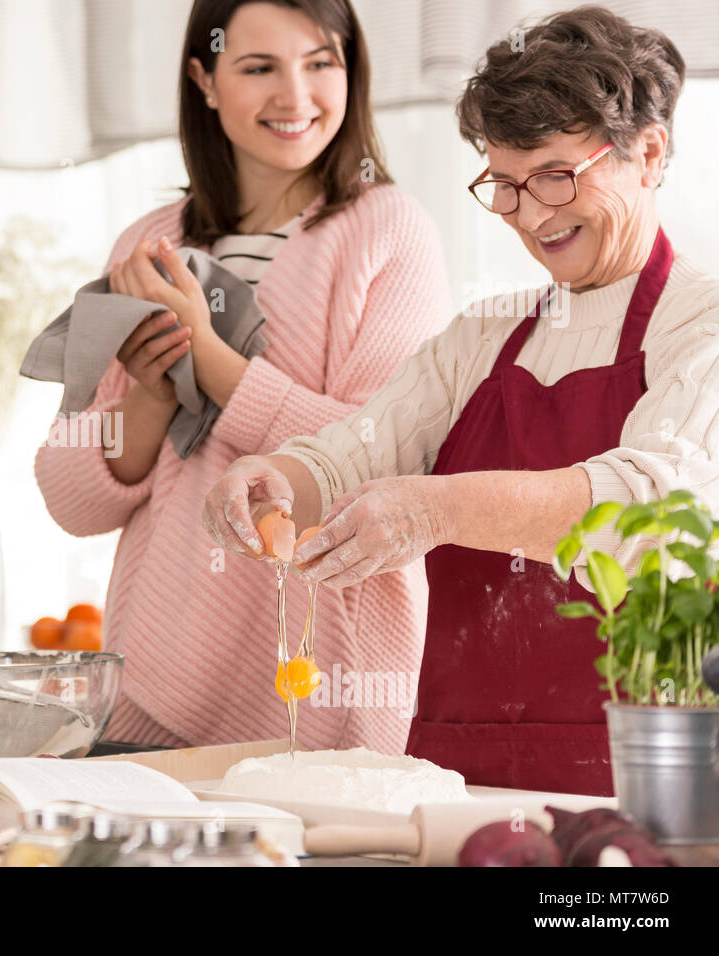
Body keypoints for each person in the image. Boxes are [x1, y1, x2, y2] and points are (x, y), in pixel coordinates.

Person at [203, 6, 718, 796]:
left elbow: (645, 506)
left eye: (555, 176)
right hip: (454, 788)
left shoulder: (702, 323)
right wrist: (276, 481)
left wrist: (440, 512)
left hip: (642, 786)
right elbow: (352, 453)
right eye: (504, 186)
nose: (533, 215)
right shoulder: (482, 335)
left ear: (648, 152)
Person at [35, 0, 452, 752]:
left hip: (323, 685)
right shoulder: (149, 245)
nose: (295, 96)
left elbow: (386, 456)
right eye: (258, 68)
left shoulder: (389, 230)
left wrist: (211, 357)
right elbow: (71, 496)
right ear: (205, 79)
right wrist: (155, 390)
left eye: (321, 63)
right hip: (151, 683)